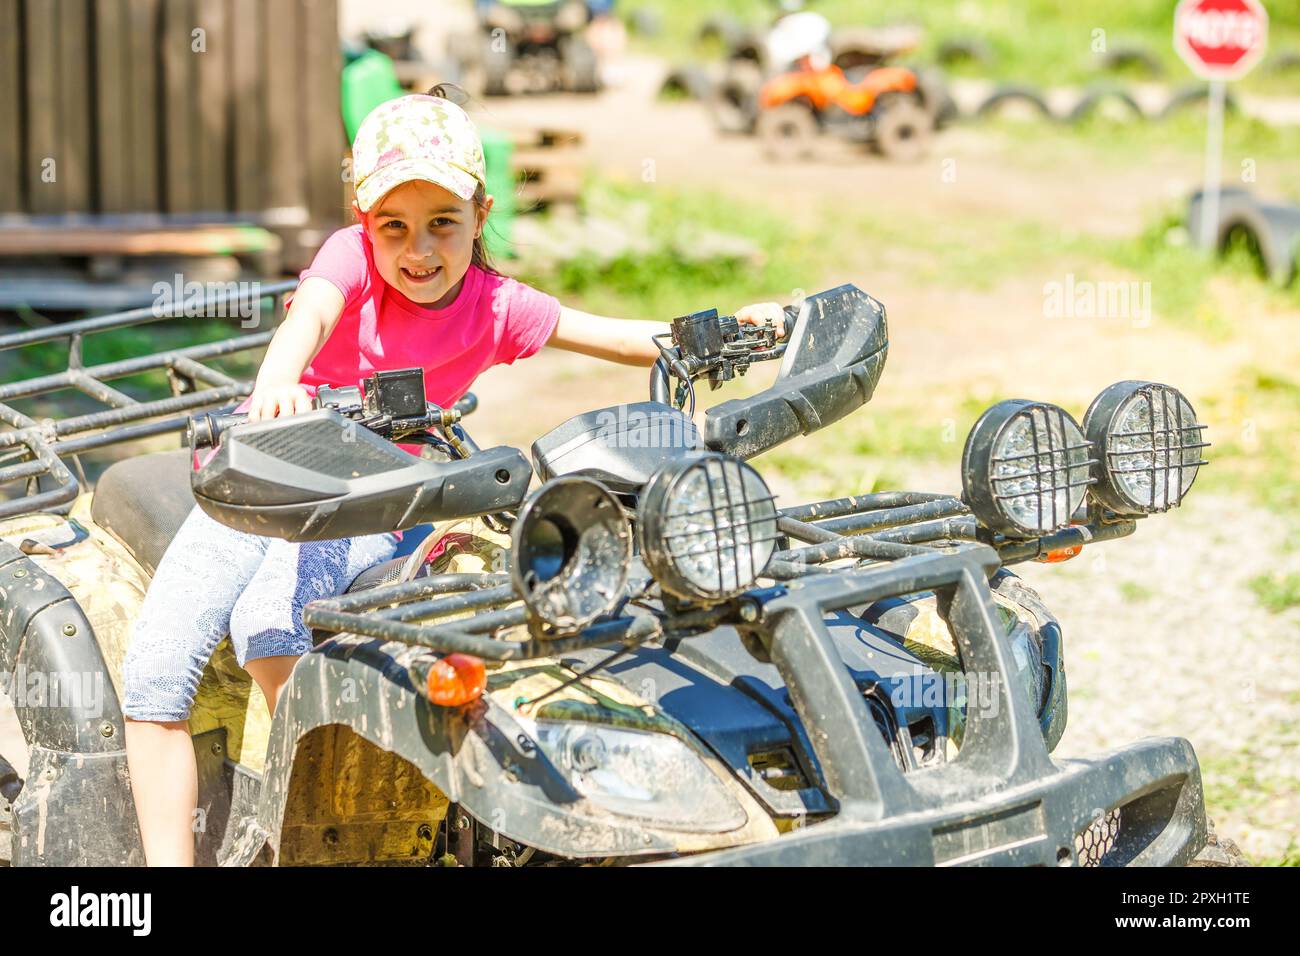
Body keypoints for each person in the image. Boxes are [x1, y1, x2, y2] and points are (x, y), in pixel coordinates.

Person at [121, 92, 785, 866]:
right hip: (260, 479)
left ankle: (314, 828)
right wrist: (279, 379)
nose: (419, 249)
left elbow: (620, 336)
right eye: (393, 226)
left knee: (269, 621)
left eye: (444, 222)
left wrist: (737, 328)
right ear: (364, 223)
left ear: (481, 212)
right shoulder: (349, 261)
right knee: (154, 672)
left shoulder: (498, 305)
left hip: (373, 500)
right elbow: (308, 316)